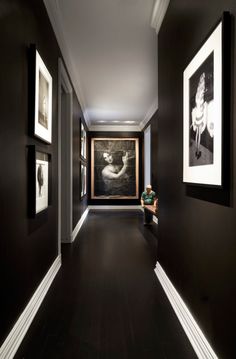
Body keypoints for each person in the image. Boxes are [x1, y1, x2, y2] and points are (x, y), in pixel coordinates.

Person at [191, 72, 208, 159]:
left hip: (198, 119)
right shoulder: (200, 101)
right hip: (199, 119)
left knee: (198, 135)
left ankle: (197, 150)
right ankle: (197, 150)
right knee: (198, 135)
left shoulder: (198, 100)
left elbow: (200, 90)